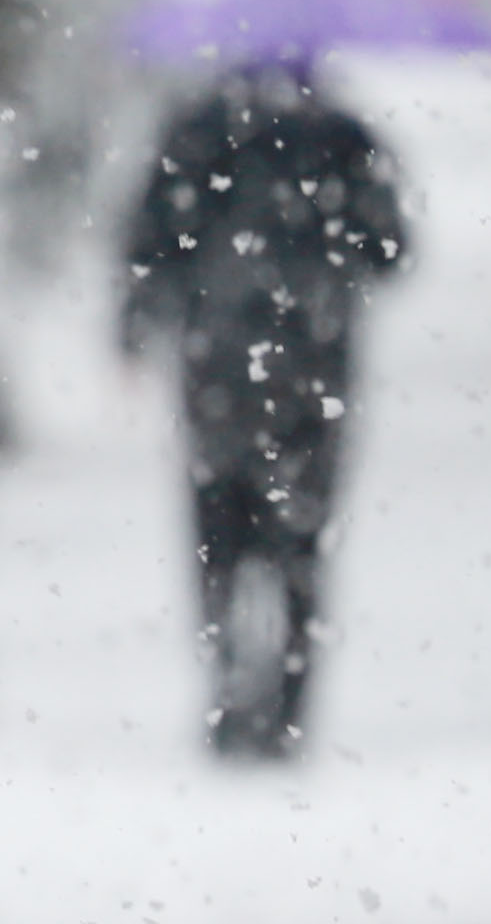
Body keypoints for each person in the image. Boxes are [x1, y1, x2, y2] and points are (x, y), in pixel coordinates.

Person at [117, 57, 412, 760]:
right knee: (302, 538)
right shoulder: (343, 137)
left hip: (214, 367)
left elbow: (146, 242)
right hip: (316, 364)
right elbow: (394, 249)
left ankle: (226, 675)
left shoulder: (195, 131)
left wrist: (136, 321)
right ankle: (288, 698)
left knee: (219, 526)